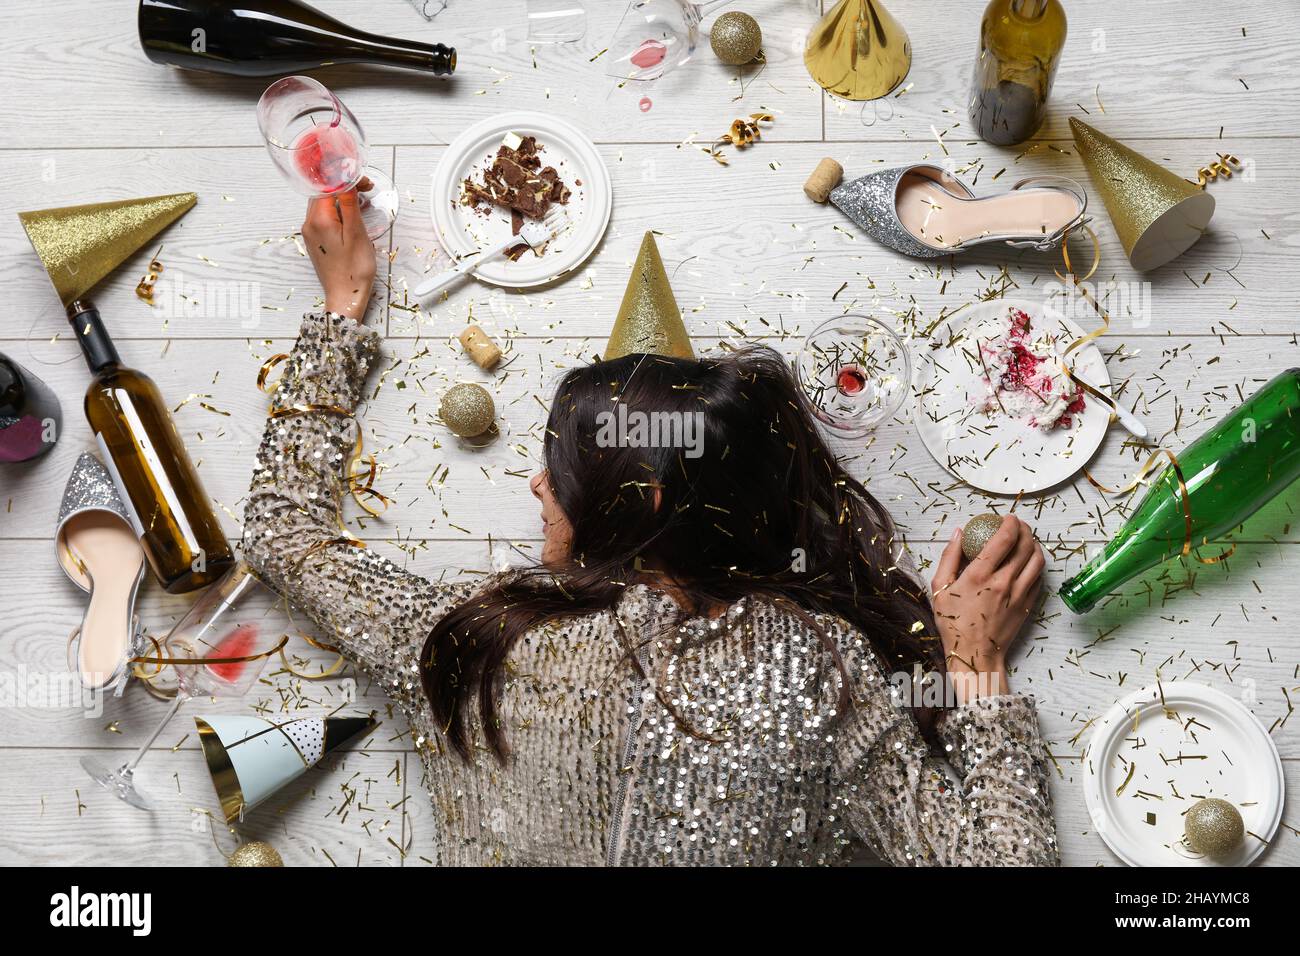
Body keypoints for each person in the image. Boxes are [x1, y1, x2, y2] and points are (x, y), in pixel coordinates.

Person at [241, 192, 1058, 866]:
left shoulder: (474, 639)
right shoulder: (818, 667)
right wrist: (974, 666)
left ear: (638, 508)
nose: (536, 485)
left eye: (557, 474)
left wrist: (342, 313)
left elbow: (279, 529)